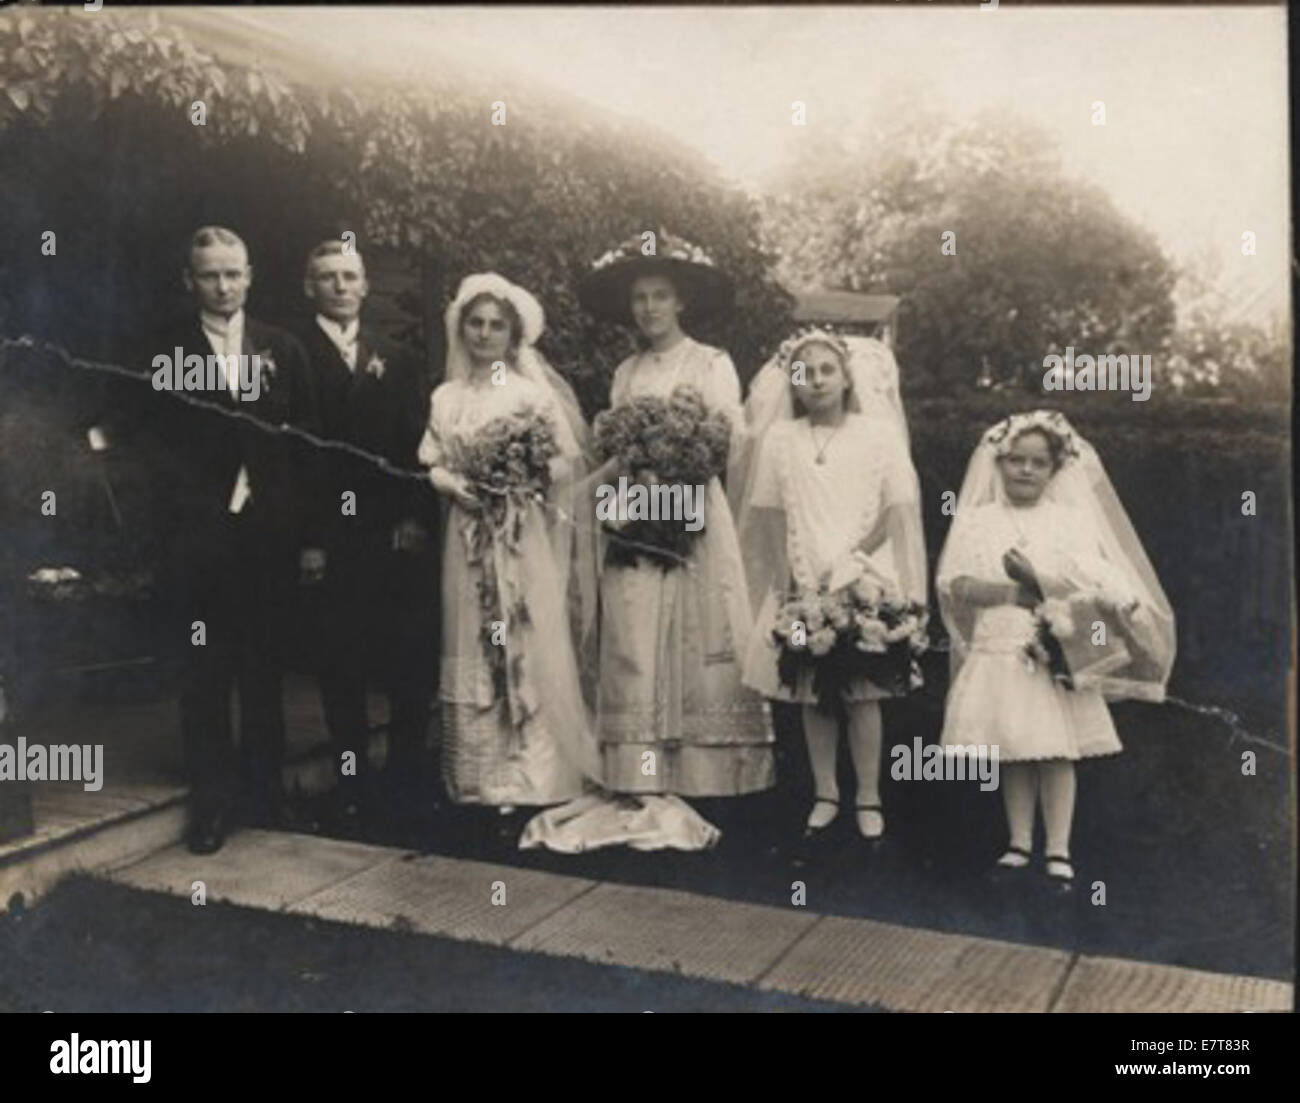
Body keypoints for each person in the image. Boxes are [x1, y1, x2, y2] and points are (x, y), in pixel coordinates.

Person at [935, 410, 1175, 891]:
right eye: (1015, 460)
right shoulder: (979, 519)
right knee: (1015, 747)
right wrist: (1009, 594)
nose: (1025, 470)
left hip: (1056, 641)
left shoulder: (1068, 521)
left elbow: (1090, 579)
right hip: (1001, 640)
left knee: (1056, 749)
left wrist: (1043, 588)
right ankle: (1019, 841)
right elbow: (954, 582)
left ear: (1054, 469)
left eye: (1037, 463)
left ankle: (1058, 847)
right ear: (998, 464)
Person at [574, 231, 772, 806]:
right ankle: (639, 772)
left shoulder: (711, 363)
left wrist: (677, 467)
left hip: (691, 508)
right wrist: (629, 475)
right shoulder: (626, 371)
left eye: (661, 296)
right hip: (634, 504)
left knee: (694, 627)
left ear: (681, 301)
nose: (650, 308)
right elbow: (611, 445)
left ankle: (702, 775)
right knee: (634, 626)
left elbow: (729, 439)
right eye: (640, 298)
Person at [145, 226, 321, 855]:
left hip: (268, 536)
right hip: (199, 539)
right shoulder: (164, 349)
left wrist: (303, 531)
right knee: (205, 670)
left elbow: (307, 446)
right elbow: (152, 445)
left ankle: (265, 793)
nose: (222, 286)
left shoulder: (283, 348)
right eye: (209, 275)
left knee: (263, 666)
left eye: (232, 273)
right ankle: (211, 805)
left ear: (250, 277)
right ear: (188, 281)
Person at [735, 328, 926, 841]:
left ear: (845, 379)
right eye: (804, 373)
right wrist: (790, 580)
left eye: (826, 371)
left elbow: (896, 508)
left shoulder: (876, 434)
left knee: (864, 689)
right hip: (802, 581)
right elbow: (771, 514)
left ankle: (868, 795)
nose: (815, 381)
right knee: (808, 682)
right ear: (792, 385)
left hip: (865, 573)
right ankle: (825, 792)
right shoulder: (781, 439)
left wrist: (854, 561)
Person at [419, 273, 599, 814]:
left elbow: (563, 461)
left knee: (520, 634)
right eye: (475, 322)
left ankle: (529, 780)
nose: (484, 333)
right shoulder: (445, 396)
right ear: (461, 328)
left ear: (512, 335)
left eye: (497, 325)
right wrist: (452, 484)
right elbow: (430, 459)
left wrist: (517, 481)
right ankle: (475, 779)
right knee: (472, 637)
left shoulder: (528, 394)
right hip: (465, 536)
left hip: (520, 537)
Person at [295, 239, 439, 827]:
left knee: (406, 658)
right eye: (327, 277)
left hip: (391, 532)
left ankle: (404, 778)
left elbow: (418, 444)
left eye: (349, 276)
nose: (340, 287)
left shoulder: (398, 357)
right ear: (310, 287)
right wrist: (310, 539)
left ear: (365, 286)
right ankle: (353, 784)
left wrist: (413, 515)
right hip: (331, 534)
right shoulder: (290, 352)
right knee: (341, 664)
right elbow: (292, 456)